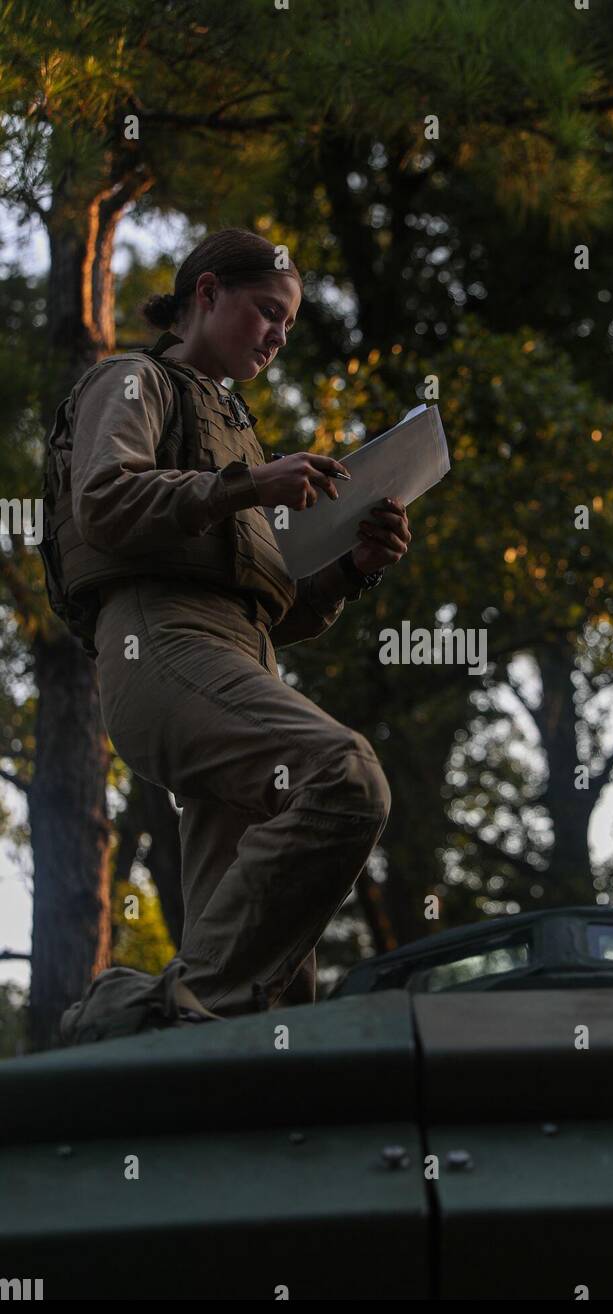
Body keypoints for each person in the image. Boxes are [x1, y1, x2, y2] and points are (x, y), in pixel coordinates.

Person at [50, 227, 411, 1045]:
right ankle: (155, 1014)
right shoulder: (134, 379)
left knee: (272, 987)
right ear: (206, 294)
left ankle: (212, 1073)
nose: (278, 336)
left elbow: (280, 609)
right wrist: (248, 482)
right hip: (161, 645)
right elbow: (104, 501)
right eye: (266, 312)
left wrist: (353, 567)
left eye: (288, 325)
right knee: (346, 777)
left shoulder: (235, 426)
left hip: (241, 659)